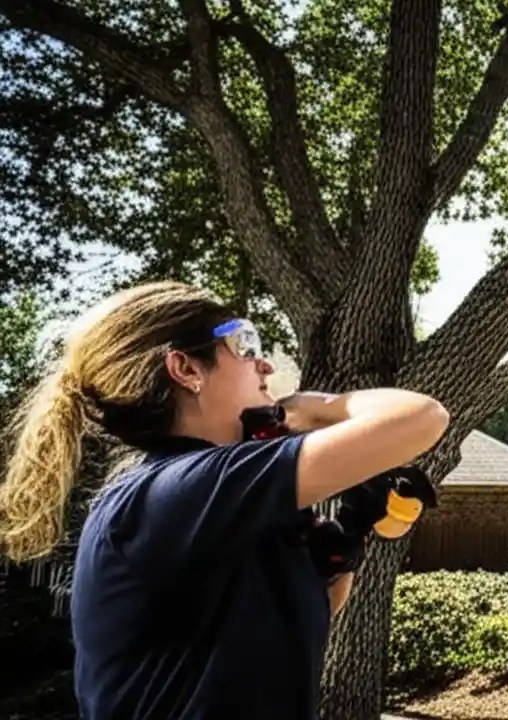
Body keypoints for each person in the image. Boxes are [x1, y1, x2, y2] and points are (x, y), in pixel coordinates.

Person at [0, 281, 450, 720]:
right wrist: (311, 409)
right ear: (187, 369)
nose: (265, 367)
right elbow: (423, 417)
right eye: (245, 344)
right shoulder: (174, 490)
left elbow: (301, 618)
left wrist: (346, 541)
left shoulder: (211, 497)